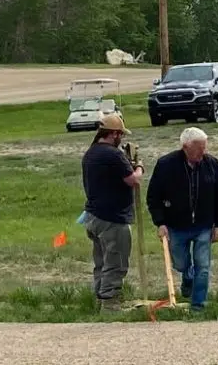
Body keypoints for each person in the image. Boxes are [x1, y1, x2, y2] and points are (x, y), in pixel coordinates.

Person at [146, 126, 218, 312]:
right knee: (181, 263)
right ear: (185, 147)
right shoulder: (166, 165)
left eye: (205, 147)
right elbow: (153, 196)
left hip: (204, 226)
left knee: (203, 266)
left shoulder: (213, 165)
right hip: (176, 225)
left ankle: (198, 306)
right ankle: (187, 276)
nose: (203, 152)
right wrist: (160, 223)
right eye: (199, 148)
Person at [80, 114, 142, 313]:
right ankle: (110, 305)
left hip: (94, 216)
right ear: (113, 134)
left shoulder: (91, 153)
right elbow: (132, 180)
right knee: (116, 263)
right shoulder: (113, 155)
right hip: (112, 219)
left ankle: (98, 301)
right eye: (120, 135)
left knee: (101, 263)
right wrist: (139, 167)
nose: (121, 139)